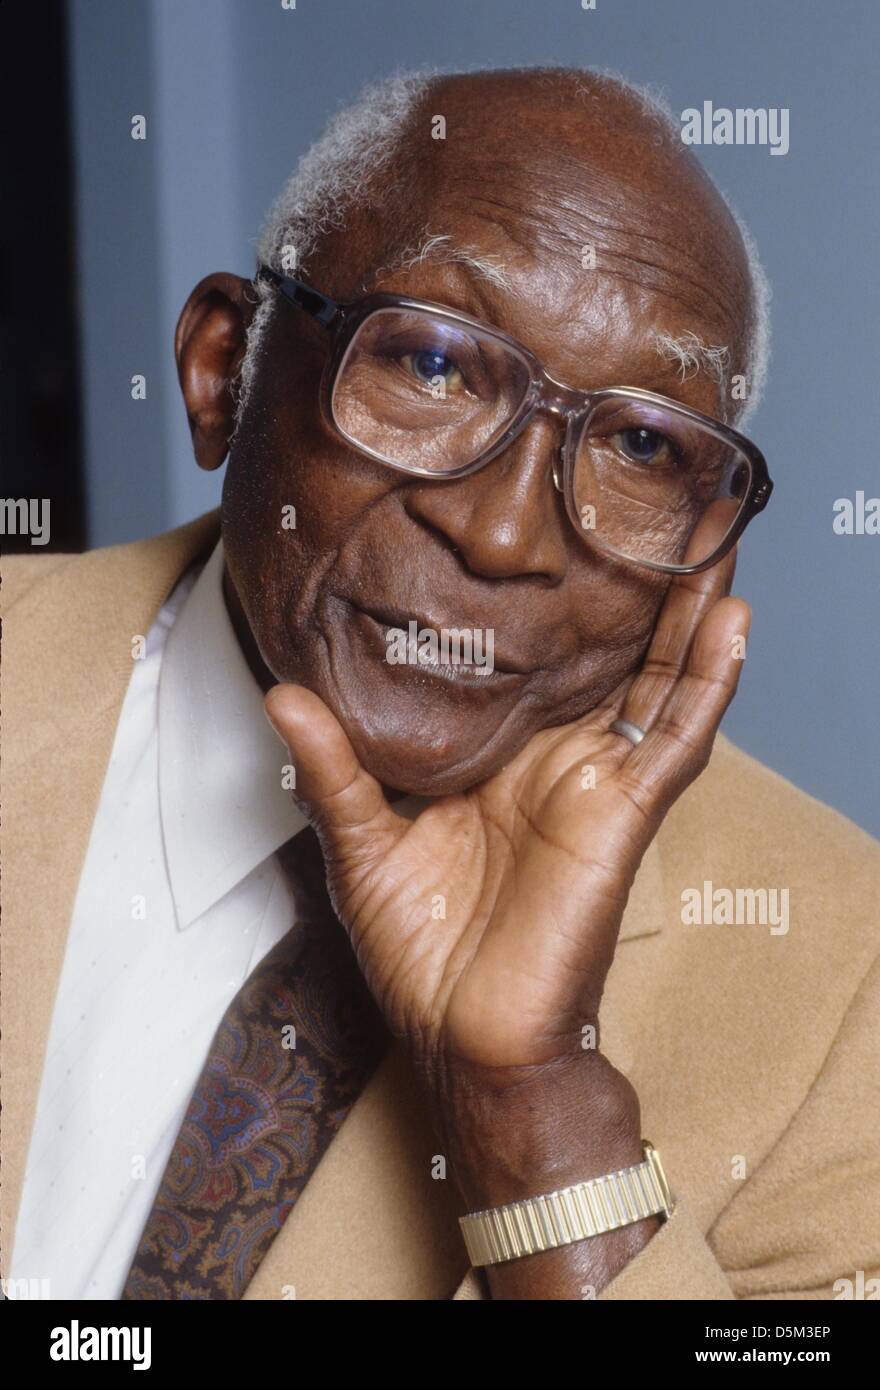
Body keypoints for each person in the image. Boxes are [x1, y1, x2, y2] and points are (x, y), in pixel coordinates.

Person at [3, 67, 877, 1302]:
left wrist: (537, 1122)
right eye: (430, 363)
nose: (506, 534)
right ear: (221, 370)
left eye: (640, 445)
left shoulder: (849, 985)